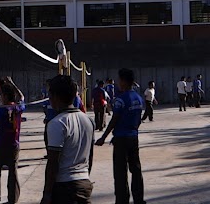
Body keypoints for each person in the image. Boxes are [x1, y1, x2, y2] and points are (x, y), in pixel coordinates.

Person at [96, 69, 146, 204]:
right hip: (133, 137)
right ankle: (139, 199)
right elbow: (138, 119)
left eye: (119, 80)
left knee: (120, 172)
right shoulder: (138, 98)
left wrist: (103, 137)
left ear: (123, 81)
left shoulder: (121, 100)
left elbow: (114, 120)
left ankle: (122, 200)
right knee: (136, 169)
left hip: (121, 139)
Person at [44, 75, 94, 204]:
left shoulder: (57, 123)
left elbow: (53, 162)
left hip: (65, 187)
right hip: (84, 183)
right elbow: (90, 155)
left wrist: (47, 194)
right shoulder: (88, 120)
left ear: (55, 96)